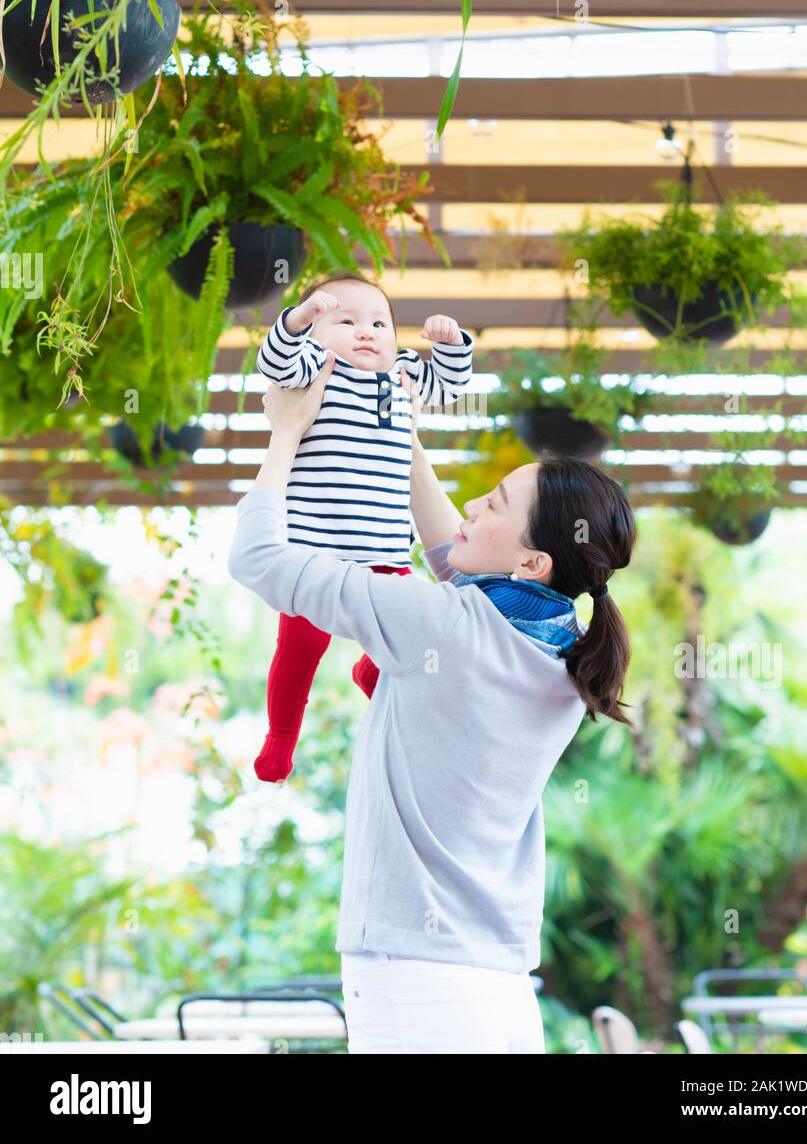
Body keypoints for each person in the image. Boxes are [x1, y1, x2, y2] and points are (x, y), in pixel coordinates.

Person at [227, 354, 636, 1054]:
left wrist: (286, 432)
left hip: (419, 984)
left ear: (534, 562)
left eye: (496, 505)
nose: (474, 505)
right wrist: (400, 435)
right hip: (497, 987)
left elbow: (258, 559)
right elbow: (458, 556)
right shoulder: (562, 646)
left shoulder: (442, 623)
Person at [252, 270, 473, 782]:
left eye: (379, 322)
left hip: (384, 550)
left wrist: (452, 343)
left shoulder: (402, 375)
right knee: (301, 645)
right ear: (316, 335)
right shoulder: (316, 367)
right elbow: (275, 361)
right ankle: (280, 740)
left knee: (415, 626)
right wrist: (295, 323)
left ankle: (371, 669)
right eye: (345, 321)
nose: (366, 332)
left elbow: (452, 385)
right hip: (313, 552)